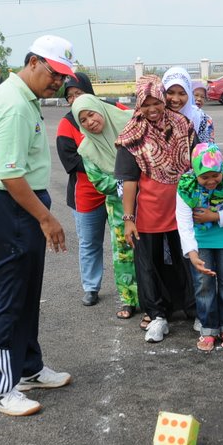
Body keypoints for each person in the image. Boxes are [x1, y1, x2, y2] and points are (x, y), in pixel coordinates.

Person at [0, 35, 76, 416]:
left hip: (18, 205)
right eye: (53, 73)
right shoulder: (14, 105)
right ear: (32, 62)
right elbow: (11, 177)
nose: (58, 83)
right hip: (8, 205)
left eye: (64, 77)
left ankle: (27, 368)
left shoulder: (24, 99)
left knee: (26, 293)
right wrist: (46, 218)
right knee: (7, 297)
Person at [115, 75, 197, 343]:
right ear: (138, 104)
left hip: (181, 207)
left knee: (186, 258)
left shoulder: (182, 125)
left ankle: (194, 309)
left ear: (163, 100)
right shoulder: (132, 134)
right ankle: (157, 315)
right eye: (146, 104)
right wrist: (129, 218)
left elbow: (197, 165)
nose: (152, 109)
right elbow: (129, 180)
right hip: (148, 211)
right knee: (147, 264)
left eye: (157, 103)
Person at [176, 143, 223, 351]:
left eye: (215, 176)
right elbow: (183, 222)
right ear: (195, 173)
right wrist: (192, 253)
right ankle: (208, 328)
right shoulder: (186, 186)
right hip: (199, 238)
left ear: (221, 170)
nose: (211, 181)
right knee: (203, 283)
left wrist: (217, 216)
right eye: (204, 177)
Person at [70, 94, 140, 319]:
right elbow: (100, 182)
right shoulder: (87, 150)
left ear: (100, 109)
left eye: (91, 114)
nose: (90, 122)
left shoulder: (130, 122)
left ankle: (158, 297)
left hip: (150, 200)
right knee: (124, 252)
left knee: (156, 248)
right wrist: (129, 185)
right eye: (83, 120)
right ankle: (129, 300)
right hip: (118, 207)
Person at [55, 73, 110, 307]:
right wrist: (107, 164)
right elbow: (71, 162)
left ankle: (133, 287)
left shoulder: (109, 109)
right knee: (89, 243)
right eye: (70, 96)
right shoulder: (67, 123)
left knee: (128, 241)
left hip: (121, 191)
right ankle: (91, 286)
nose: (75, 99)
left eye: (79, 93)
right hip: (86, 195)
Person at [162, 67, 214, 143]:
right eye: (170, 93)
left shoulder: (202, 119)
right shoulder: (154, 117)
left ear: (189, 94)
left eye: (182, 93)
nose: (175, 99)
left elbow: (208, 152)